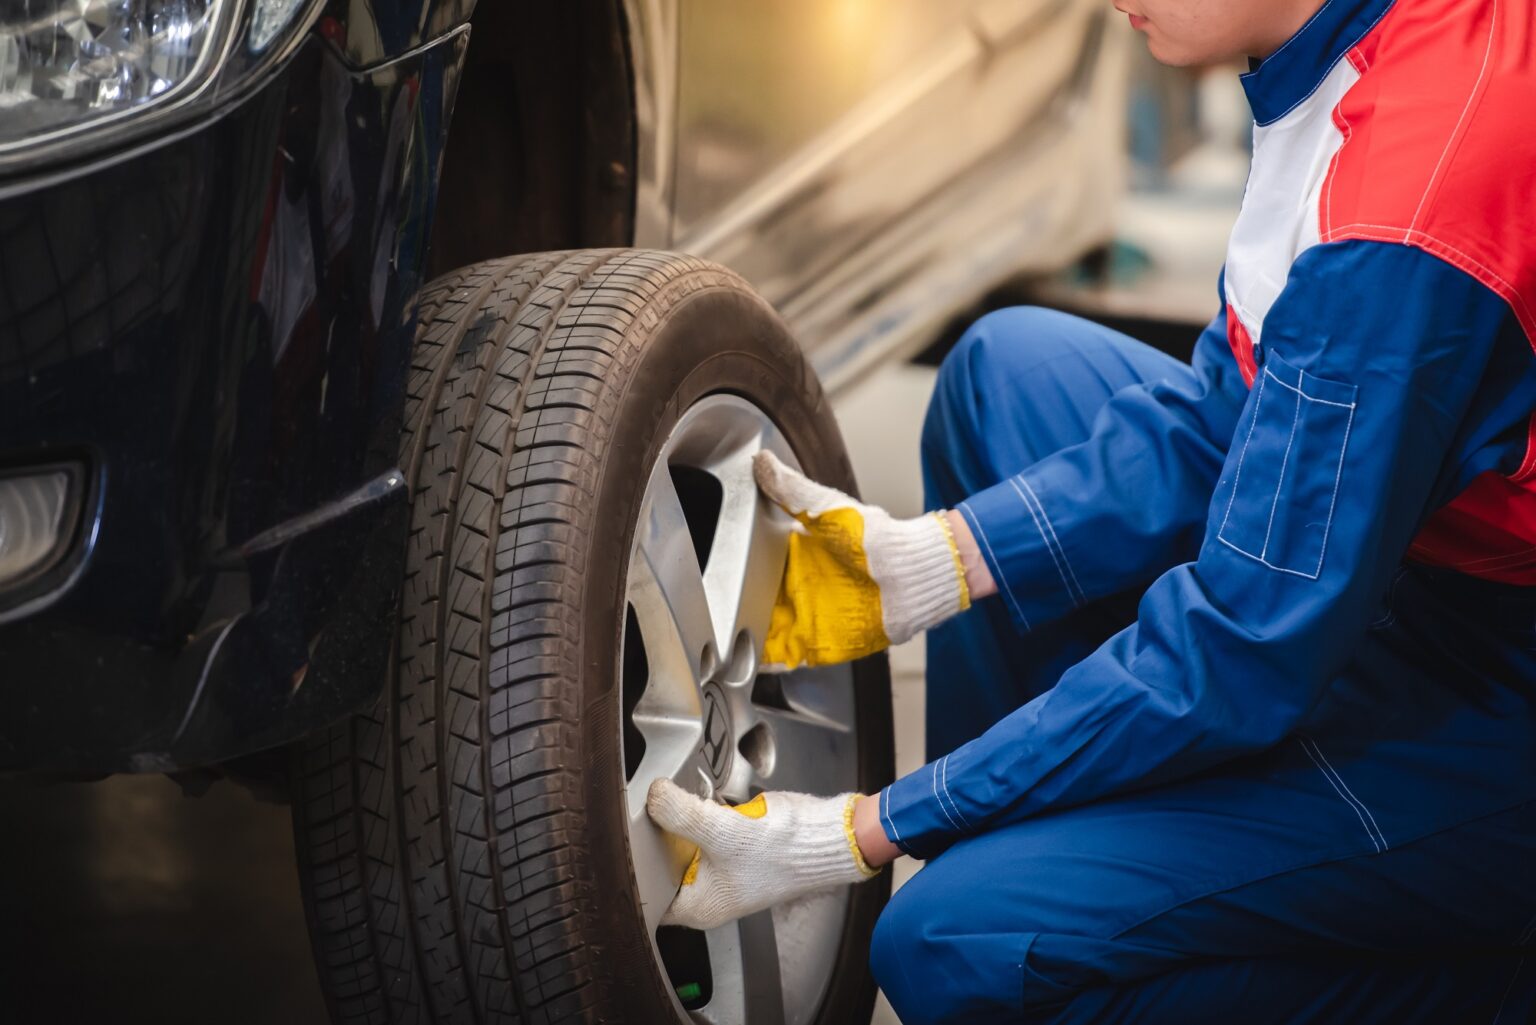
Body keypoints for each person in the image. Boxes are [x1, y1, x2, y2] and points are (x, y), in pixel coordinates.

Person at [646, 0, 1536, 1020]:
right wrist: (945, 556)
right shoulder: (1347, 46)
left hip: (1491, 705)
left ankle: (1483, 976)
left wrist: (868, 826)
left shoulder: (1412, 208)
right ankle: (1051, 842)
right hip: (1395, 563)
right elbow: (1243, 402)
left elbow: (1241, 649)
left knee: (956, 942)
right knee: (1009, 378)